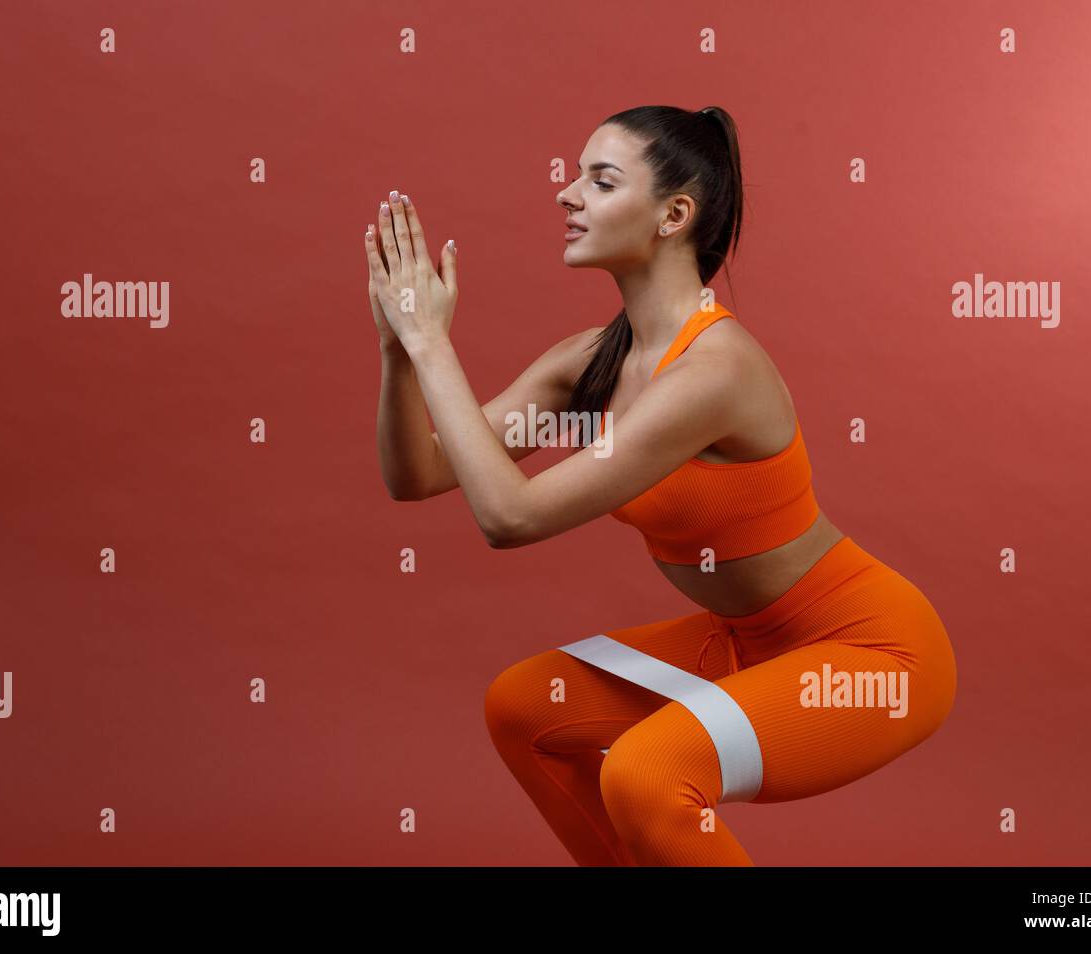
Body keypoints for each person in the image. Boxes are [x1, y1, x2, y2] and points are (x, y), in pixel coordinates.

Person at [367, 105, 957, 866]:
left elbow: (509, 517)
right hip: (743, 643)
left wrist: (430, 339)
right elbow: (419, 473)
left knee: (648, 775)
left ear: (674, 214)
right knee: (524, 708)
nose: (566, 195)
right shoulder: (592, 363)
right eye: (577, 175)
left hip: (871, 653)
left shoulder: (715, 372)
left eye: (600, 180)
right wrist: (399, 353)